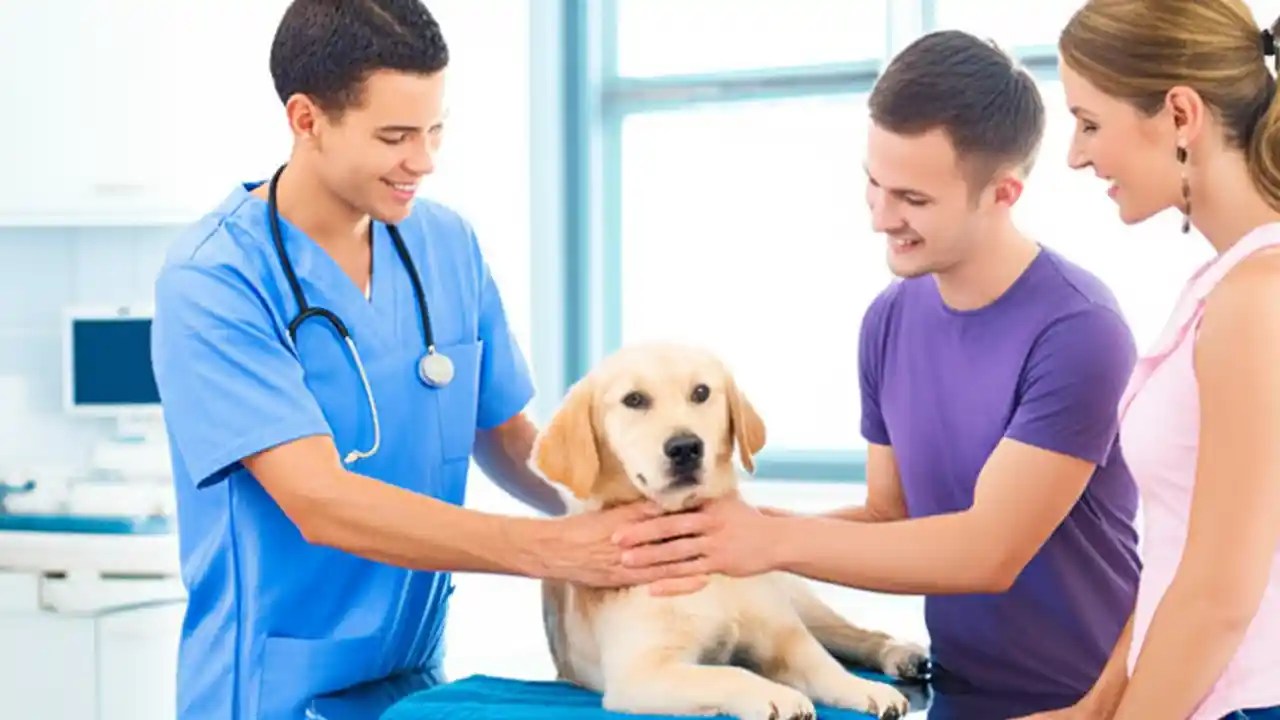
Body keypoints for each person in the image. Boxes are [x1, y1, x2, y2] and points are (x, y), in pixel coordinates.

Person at [149, 2, 694, 718]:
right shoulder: (215, 279)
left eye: (436, 129)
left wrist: (632, 520)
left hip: (409, 679)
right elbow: (318, 501)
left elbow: (503, 435)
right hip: (268, 686)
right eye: (395, 136)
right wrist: (554, 548)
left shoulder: (444, 244)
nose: (425, 160)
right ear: (306, 119)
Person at [611, 30, 1144, 716]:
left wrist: (768, 539)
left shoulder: (1079, 331)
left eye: (913, 200)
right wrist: (727, 534)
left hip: (1092, 700)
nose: (881, 217)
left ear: (1002, 193)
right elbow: (891, 516)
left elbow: (988, 552)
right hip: (952, 692)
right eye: (873, 182)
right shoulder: (889, 319)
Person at [1020, 2, 1280, 719]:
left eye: (1090, 122)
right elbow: (1178, 551)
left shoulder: (1260, 296)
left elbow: (1221, 594)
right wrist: (1098, 707)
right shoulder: (1225, 284)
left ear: (1179, 114)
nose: (1076, 154)